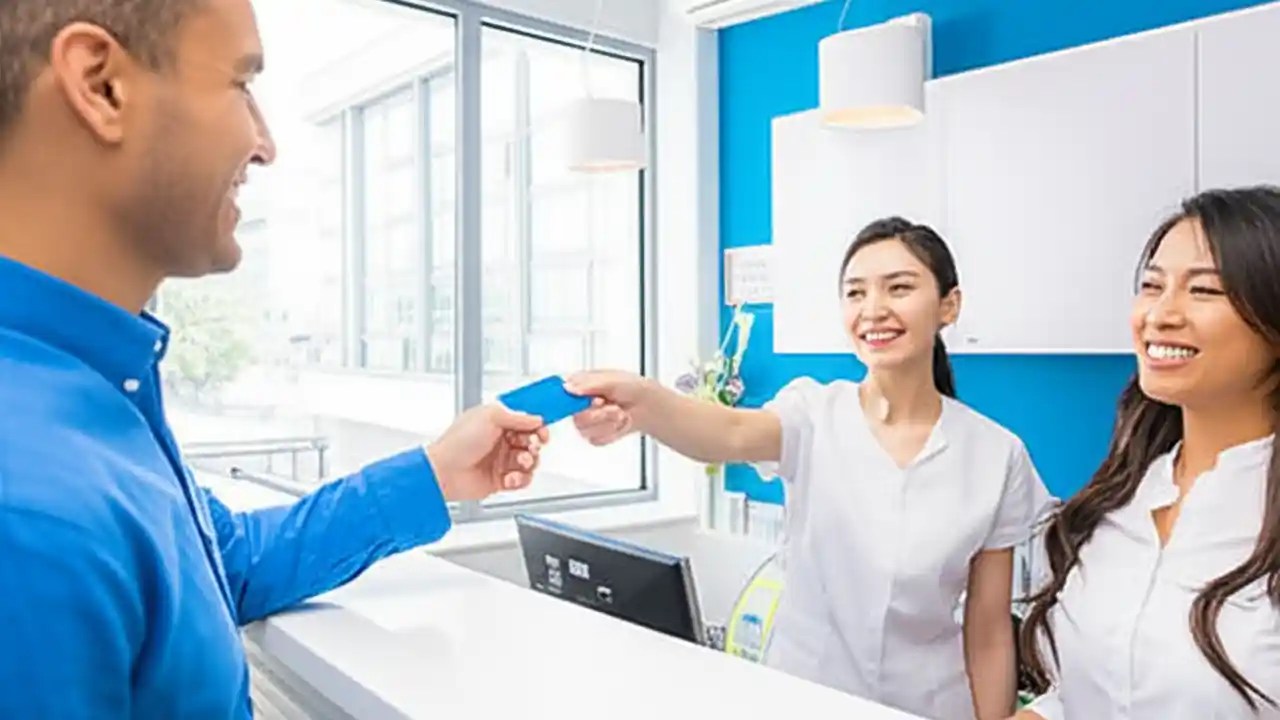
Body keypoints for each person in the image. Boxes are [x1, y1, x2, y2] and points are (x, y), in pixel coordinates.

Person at [0, 1, 549, 717]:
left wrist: (438, 471)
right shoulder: (30, 511)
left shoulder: (95, 396)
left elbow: (230, 561)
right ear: (101, 85)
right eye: (239, 84)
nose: (265, 145)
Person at [569, 217, 1055, 720]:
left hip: (927, 705)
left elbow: (990, 629)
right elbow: (728, 433)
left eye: (900, 288)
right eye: (855, 292)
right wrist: (645, 403)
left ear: (948, 305)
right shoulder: (811, 413)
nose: (873, 310)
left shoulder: (997, 455)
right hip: (806, 697)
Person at [1015, 187, 1280, 719]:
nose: (1159, 314)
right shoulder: (1118, 502)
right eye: (1151, 286)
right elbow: (1081, 695)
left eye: (1203, 290)